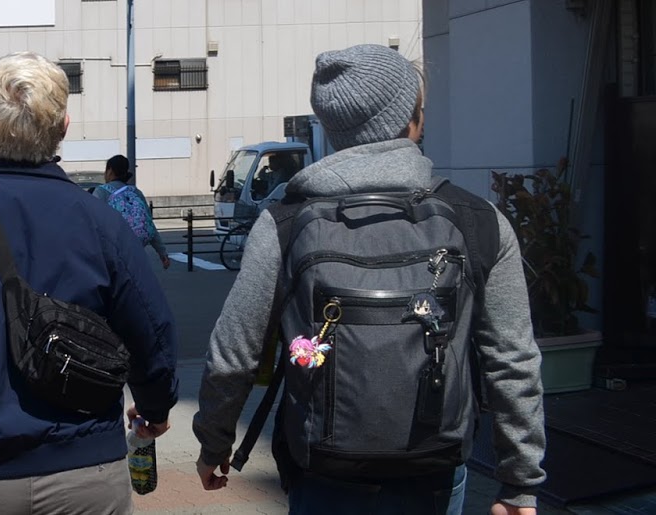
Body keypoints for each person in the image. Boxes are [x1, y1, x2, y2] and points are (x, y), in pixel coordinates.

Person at [193, 44, 546, 515]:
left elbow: (232, 354)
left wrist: (214, 444)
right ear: (412, 119)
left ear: (333, 127)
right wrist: (519, 483)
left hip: (323, 472)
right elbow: (513, 359)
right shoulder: (477, 220)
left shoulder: (285, 222)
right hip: (434, 471)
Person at [0, 52, 178, 514]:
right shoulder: (101, 225)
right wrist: (155, 406)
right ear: (64, 125)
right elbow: (151, 330)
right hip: (84, 468)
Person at [100, 156, 170, 270]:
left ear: (110, 171)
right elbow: (149, 224)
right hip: (136, 252)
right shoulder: (136, 192)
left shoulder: (101, 192)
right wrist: (162, 252)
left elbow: (91, 223)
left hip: (112, 254)